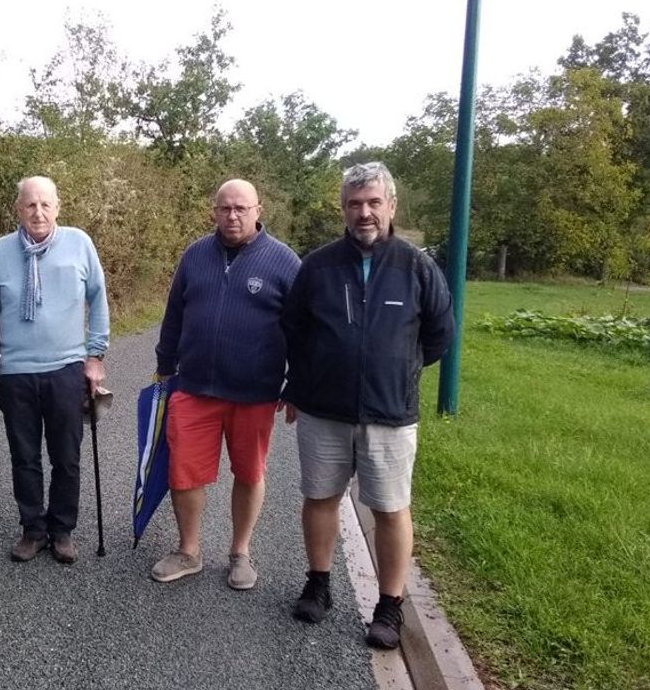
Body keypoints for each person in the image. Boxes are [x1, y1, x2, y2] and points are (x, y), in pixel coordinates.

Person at [281, 161, 455, 649]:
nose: (364, 212)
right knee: (320, 498)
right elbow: (294, 330)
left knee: (391, 508)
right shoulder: (317, 266)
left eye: (373, 202)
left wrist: (398, 372)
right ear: (343, 208)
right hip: (323, 411)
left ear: (391, 206)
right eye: (355, 204)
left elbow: (441, 334)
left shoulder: (416, 266)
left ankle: (389, 605)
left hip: (389, 415)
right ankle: (319, 583)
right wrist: (299, 385)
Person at [152, 179, 300, 590]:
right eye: (225, 208)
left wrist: (297, 382)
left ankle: (240, 553)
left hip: (255, 392)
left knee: (249, 473)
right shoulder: (195, 255)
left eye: (241, 208)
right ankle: (188, 550)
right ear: (213, 211)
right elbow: (174, 312)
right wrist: (165, 364)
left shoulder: (284, 262)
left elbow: (304, 329)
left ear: (258, 210)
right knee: (184, 473)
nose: (232, 216)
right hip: (194, 387)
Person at [0, 176, 109, 565]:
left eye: (45, 205)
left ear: (57, 207)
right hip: (14, 371)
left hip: (65, 367)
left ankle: (62, 529)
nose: (37, 212)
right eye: (29, 205)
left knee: (66, 456)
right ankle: (32, 529)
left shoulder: (79, 242)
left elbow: (98, 297)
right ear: (18, 209)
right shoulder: (0, 251)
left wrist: (95, 355)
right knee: (24, 455)